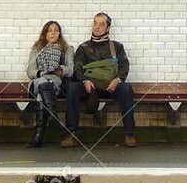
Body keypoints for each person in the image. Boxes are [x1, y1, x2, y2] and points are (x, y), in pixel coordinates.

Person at [64, 12, 138, 148]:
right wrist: (85, 80)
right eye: (95, 23)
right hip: (90, 87)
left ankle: (129, 134)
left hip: (111, 86)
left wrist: (118, 80)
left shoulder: (117, 47)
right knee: (73, 88)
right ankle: (71, 133)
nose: (97, 27)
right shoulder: (83, 47)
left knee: (126, 88)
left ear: (108, 28)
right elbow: (77, 68)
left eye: (101, 24)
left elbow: (124, 66)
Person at [23, 20, 72, 148]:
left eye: (56, 30)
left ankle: (38, 136)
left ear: (59, 33)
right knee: (43, 83)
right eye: (50, 30)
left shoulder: (67, 49)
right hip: (39, 80)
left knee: (43, 92)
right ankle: (54, 119)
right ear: (45, 33)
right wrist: (42, 73)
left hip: (55, 84)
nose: (53, 33)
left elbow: (71, 69)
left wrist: (61, 69)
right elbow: (30, 71)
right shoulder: (37, 49)